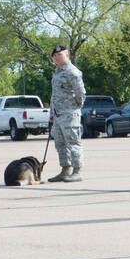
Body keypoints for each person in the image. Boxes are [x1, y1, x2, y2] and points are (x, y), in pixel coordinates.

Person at [46, 44, 86, 183]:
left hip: (69, 113)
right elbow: (54, 95)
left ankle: (77, 170)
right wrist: (52, 112)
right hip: (57, 114)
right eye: (55, 55)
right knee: (60, 143)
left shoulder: (72, 72)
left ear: (67, 55)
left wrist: (75, 107)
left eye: (60, 54)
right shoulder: (57, 72)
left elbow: (81, 93)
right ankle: (65, 169)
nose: (57, 57)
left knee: (73, 142)